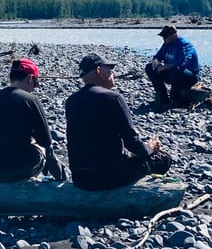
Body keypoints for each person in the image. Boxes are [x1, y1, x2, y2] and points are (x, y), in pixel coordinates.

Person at [65, 53, 172, 191]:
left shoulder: (71, 101)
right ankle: (142, 196)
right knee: (163, 158)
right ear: (99, 71)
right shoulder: (113, 98)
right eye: (109, 69)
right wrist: (151, 147)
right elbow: (132, 143)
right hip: (109, 176)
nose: (112, 73)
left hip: (80, 176)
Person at [0, 58, 67, 182]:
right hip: (20, 170)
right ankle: (60, 179)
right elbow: (45, 140)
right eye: (35, 82)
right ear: (30, 78)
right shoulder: (30, 100)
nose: (34, 88)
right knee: (43, 148)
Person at [145, 25, 200, 109]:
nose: (164, 39)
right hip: (172, 74)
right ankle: (162, 97)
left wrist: (164, 67)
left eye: (166, 36)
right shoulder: (166, 44)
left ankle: (176, 100)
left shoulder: (184, 45)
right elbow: (157, 56)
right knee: (149, 68)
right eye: (163, 36)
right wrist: (155, 62)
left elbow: (182, 64)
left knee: (176, 70)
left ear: (174, 35)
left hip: (189, 76)